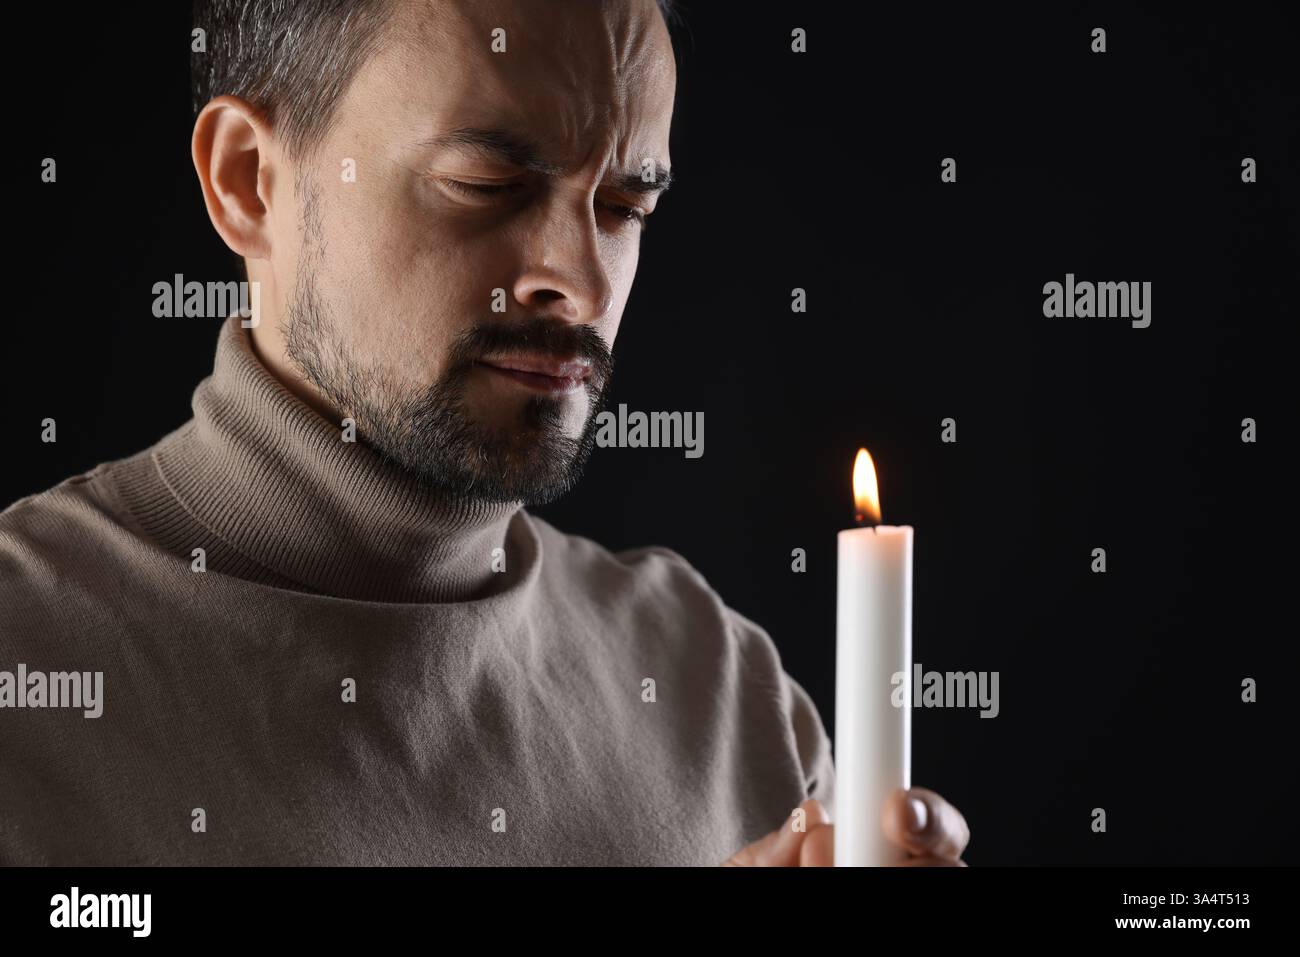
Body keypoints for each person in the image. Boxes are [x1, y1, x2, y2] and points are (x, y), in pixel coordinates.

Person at [0, 0, 968, 866]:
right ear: (250, 182)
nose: (582, 285)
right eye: (489, 184)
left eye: (626, 207)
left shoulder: (717, 686)